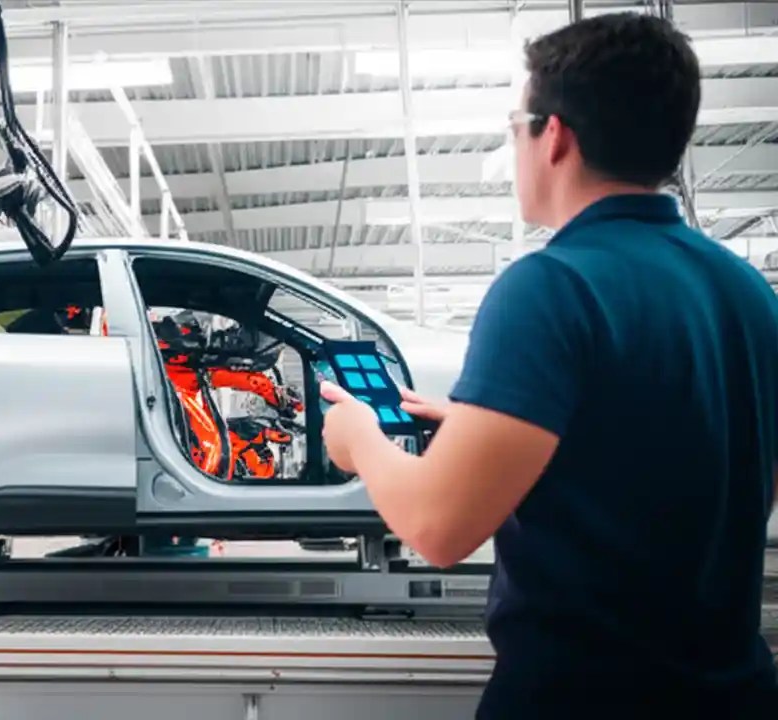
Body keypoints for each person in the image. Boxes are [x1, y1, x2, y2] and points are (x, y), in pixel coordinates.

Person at [320, 13, 777, 719]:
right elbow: (731, 472)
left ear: (554, 134)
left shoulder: (550, 286)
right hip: (735, 696)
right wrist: (503, 429)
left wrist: (361, 441)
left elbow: (438, 527)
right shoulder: (747, 292)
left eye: (515, 126)